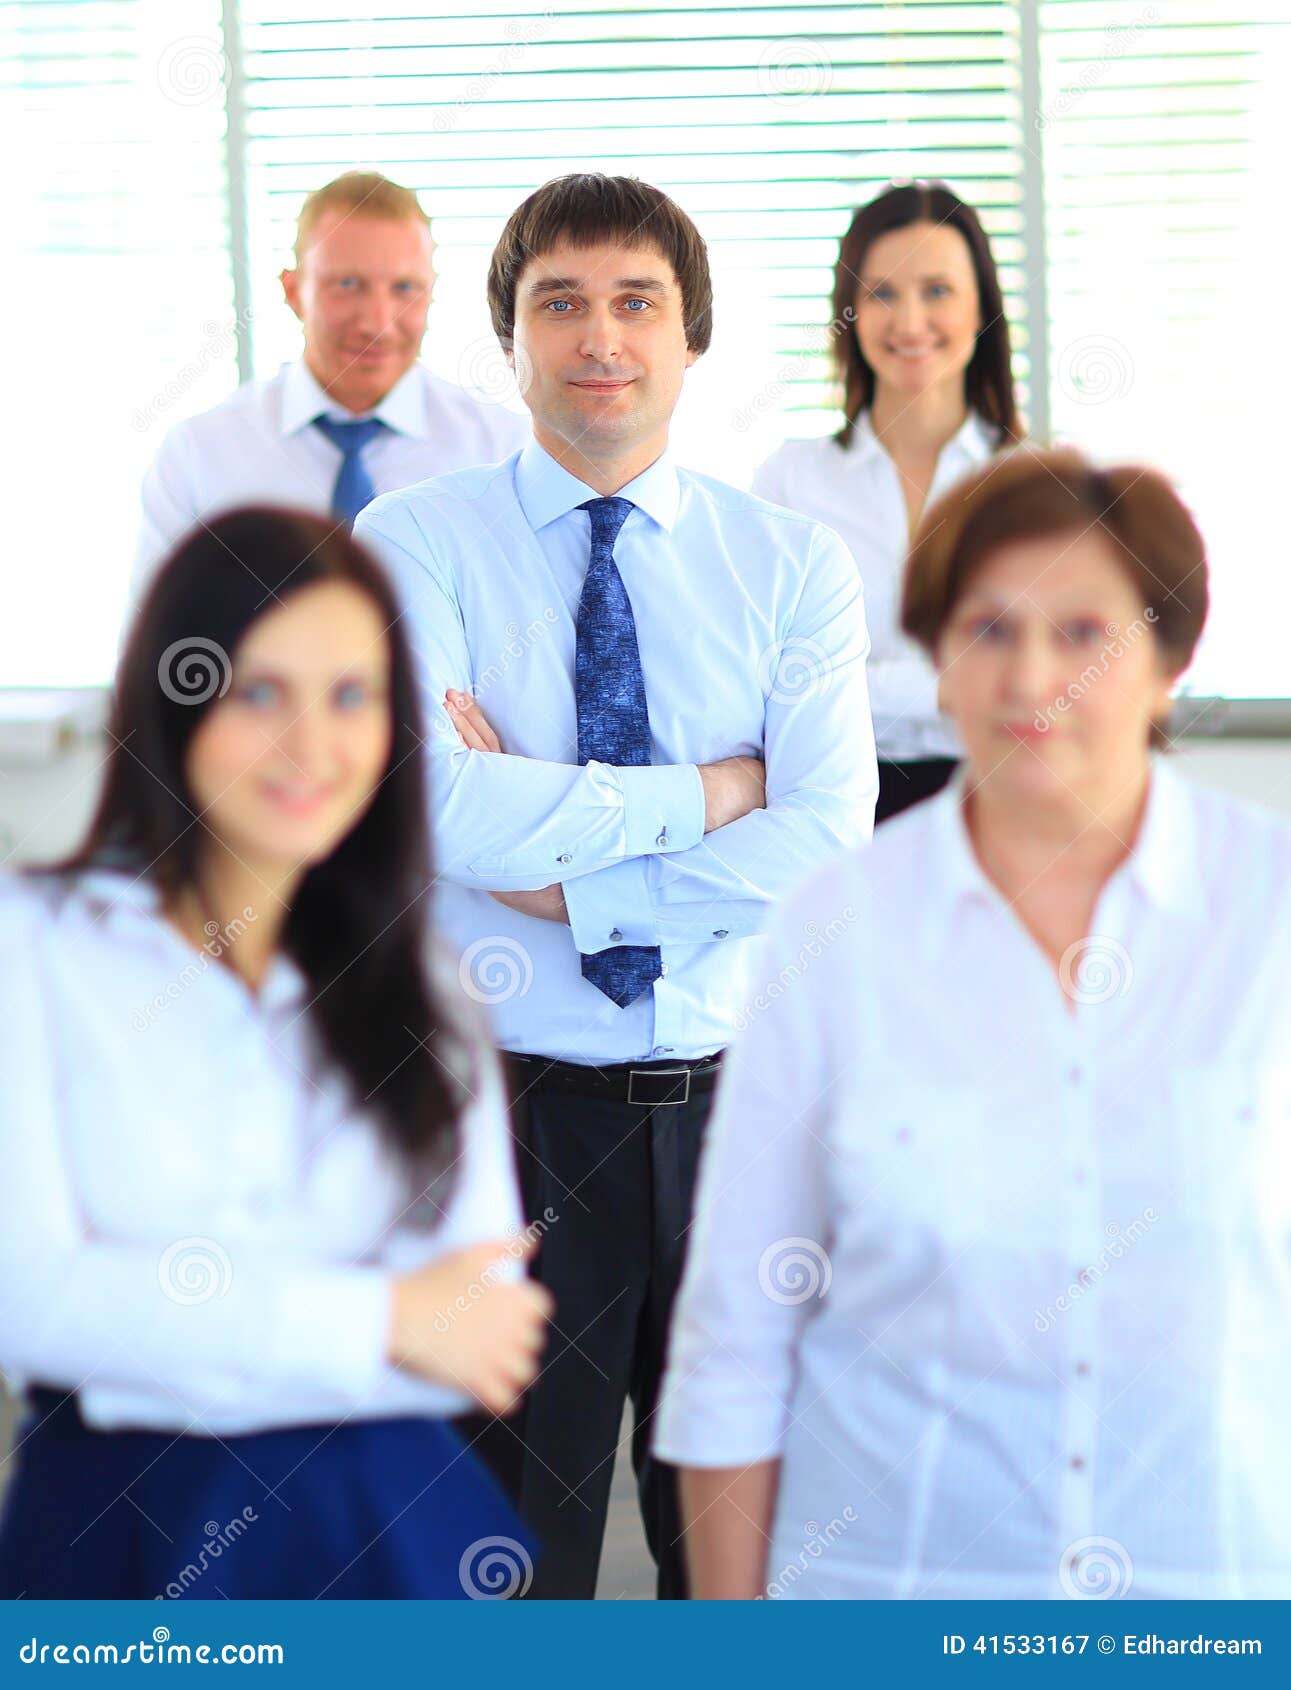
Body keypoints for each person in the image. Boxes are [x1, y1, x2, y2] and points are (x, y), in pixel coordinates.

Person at [355, 173, 878, 1598]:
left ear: (690, 336)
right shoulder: (413, 544)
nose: (600, 337)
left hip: (746, 1119)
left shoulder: (786, 564)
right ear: (509, 340)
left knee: (743, 1552)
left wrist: (574, 884)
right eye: (559, 302)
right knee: (505, 1561)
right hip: (511, 1123)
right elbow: (436, 809)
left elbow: (828, 829)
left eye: (635, 301)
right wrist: (711, 792)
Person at [657, 448, 1291, 1601]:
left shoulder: (1270, 912)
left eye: (1084, 631)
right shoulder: (836, 924)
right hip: (889, 1594)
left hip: (1218, 1591)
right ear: (937, 663)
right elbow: (735, 1336)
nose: (1030, 675)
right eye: (988, 629)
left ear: (1166, 661)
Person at [0, 508, 552, 1600]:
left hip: (392, 1526)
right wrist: (384, 1320)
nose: (312, 746)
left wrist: (155, 1335)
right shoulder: (36, 947)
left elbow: (484, 1329)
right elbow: (35, 1301)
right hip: (124, 1527)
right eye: (261, 692)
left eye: (351, 697)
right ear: (176, 698)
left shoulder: (428, 987)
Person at [752, 181, 1022, 823]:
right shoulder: (791, 483)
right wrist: (956, 684)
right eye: (881, 293)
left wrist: (854, 682)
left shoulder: (1035, 486)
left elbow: (1046, 679)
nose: (908, 322)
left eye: (937, 290)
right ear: (848, 310)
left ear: (981, 304)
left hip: (1006, 802)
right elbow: (769, 685)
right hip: (828, 806)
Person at [131, 171, 527, 595]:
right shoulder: (197, 456)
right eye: (347, 285)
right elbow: (156, 649)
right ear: (293, 290)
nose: (377, 322)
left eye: (404, 287)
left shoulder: (503, 451)